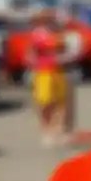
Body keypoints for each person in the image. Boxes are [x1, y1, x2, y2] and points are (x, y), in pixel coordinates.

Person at [27, 10, 70, 147]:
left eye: (51, 19)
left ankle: (58, 130)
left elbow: (64, 49)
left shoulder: (58, 33)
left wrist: (63, 55)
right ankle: (46, 131)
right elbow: (32, 53)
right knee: (45, 102)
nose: (50, 22)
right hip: (43, 71)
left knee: (60, 102)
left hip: (58, 71)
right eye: (46, 19)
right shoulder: (37, 34)